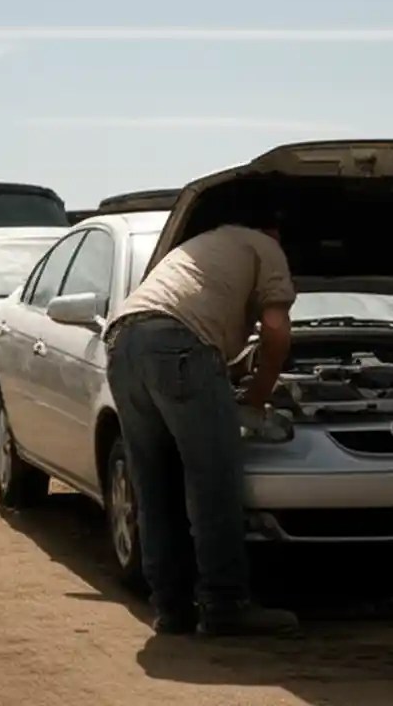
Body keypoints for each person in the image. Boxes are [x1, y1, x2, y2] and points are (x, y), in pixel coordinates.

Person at [102, 221, 297, 637]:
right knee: (214, 481)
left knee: (155, 484)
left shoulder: (203, 247)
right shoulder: (266, 243)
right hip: (177, 343)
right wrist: (258, 396)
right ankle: (225, 604)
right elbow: (277, 330)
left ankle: (171, 608)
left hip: (123, 344)